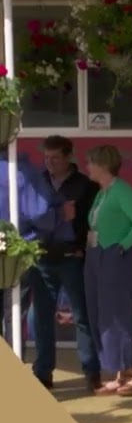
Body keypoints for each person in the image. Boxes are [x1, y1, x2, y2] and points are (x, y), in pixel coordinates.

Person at [27, 135, 102, 392]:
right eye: (46, 157)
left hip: (72, 257)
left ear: (69, 157)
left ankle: (91, 372)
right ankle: (43, 372)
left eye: (55, 158)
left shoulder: (86, 185)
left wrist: (85, 250)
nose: (50, 163)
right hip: (41, 258)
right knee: (41, 317)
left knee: (82, 316)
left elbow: (93, 222)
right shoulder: (37, 182)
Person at [84, 145, 132, 397]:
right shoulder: (103, 193)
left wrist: (122, 246)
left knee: (117, 315)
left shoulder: (122, 190)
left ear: (103, 165)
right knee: (100, 314)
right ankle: (118, 373)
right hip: (96, 256)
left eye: (91, 163)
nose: (88, 167)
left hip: (115, 257)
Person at [0, 150, 59, 357]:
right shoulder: (21, 170)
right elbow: (39, 213)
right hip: (17, 249)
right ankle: (10, 370)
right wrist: (56, 217)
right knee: (14, 312)